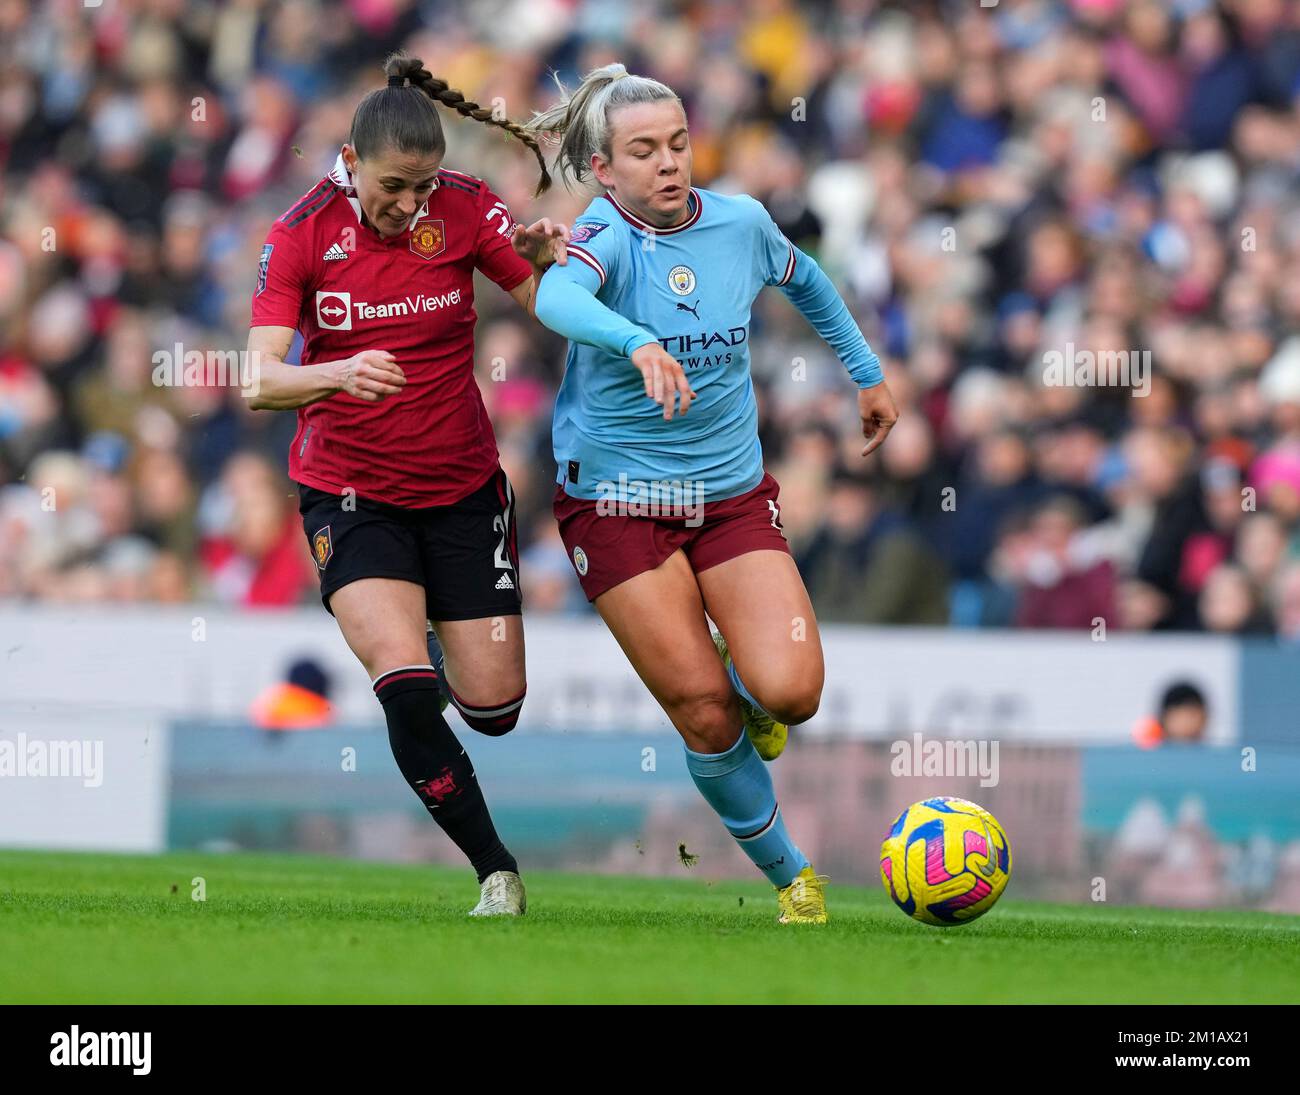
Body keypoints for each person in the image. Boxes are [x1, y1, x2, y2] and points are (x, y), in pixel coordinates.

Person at [525, 63, 898, 923]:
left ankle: (747, 676)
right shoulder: (602, 236)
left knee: (794, 692)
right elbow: (554, 295)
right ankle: (794, 880)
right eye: (644, 151)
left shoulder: (741, 223)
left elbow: (806, 279)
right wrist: (636, 343)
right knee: (703, 710)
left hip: (728, 496)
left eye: (679, 144)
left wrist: (866, 374)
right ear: (606, 170)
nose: (669, 163)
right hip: (614, 504)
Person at [245, 52, 569, 916]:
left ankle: (435, 637)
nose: (411, 206)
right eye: (394, 186)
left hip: (462, 486)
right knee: (406, 686)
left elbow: (541, 299)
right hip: (351, 496)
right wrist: (338, 373)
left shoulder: (462, 206)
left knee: (494, 710)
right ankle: (496, 870)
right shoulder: (300, 232)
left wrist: (552, 264)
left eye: (422, 188)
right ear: (350, 164)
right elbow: (257, 381)